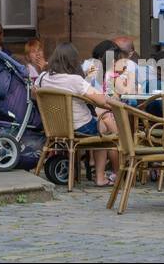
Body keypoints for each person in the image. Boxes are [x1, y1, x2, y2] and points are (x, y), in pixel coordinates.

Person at [35, 43, 121, 187]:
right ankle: (101, 176)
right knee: (104, 129)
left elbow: (34, 92)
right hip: (81, 127)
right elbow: (100, 99)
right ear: (73, 61)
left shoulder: (43, 78)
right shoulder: (75, 80)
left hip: (54, 127)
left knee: (101, 119)